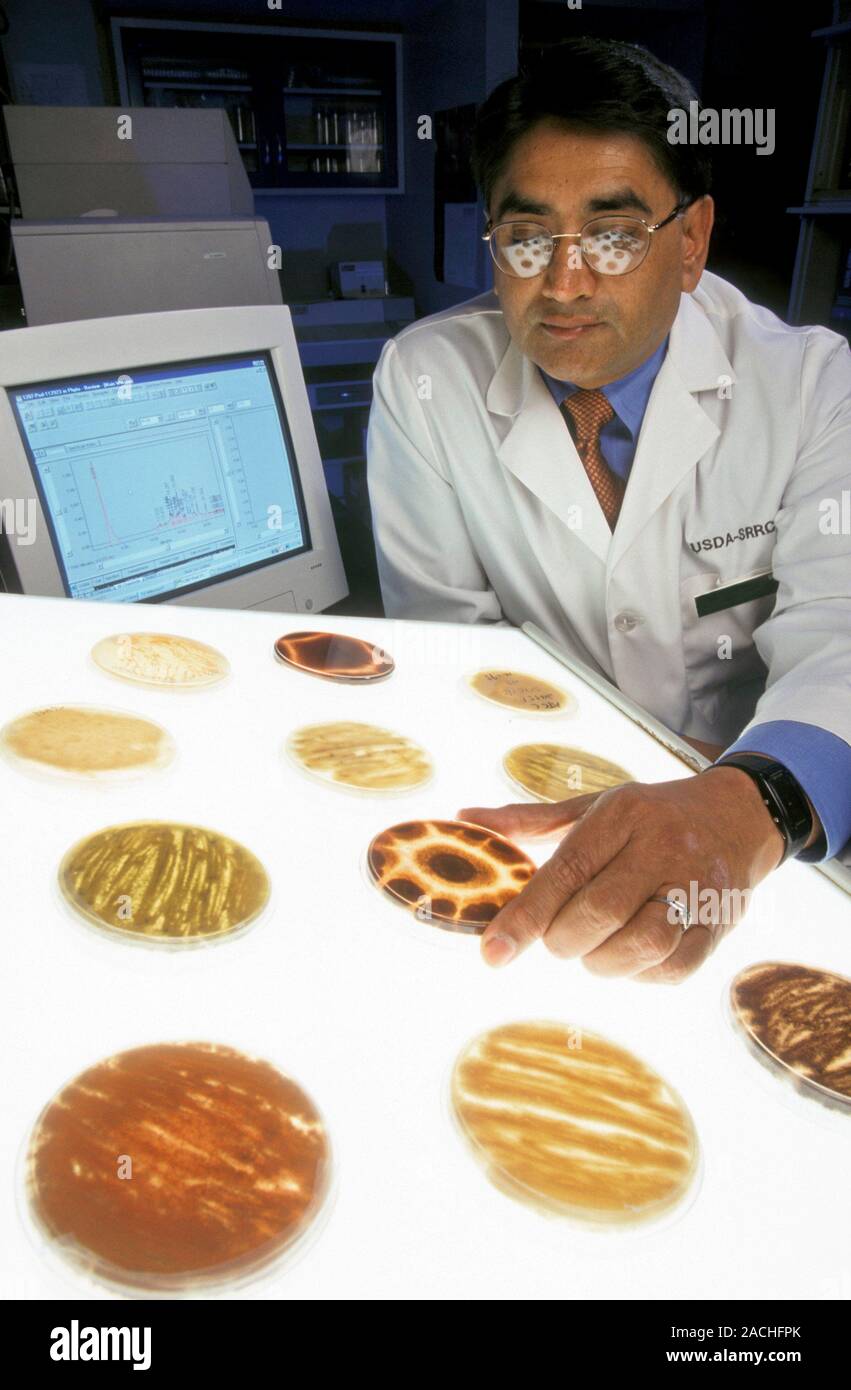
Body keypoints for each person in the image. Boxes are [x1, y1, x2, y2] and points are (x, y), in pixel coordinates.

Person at [366, 38, 851, 981]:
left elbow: (839, 637)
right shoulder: (426, 380)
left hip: (753, 837)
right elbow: (451, 650)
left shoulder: (812, 387)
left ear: (693, 241)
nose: (564, 281)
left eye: (615, 234)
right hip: (531, 817)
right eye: (526, 236)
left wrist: (742, 801)